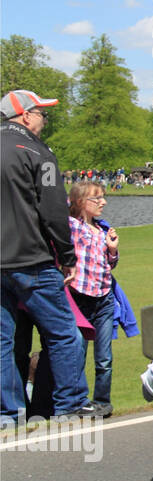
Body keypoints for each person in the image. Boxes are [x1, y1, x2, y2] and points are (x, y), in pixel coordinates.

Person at [0, 90, 94, 426]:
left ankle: (9, 414)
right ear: (26, 116)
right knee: (64, 333)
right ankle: (69, 405)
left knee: (4, 340)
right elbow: (54, 211)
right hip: (32, 260)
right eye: (43, 114)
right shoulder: (40, 154)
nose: (45, 121)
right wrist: (67, 256)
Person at [67, 180, 120, 417]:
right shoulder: (70, 226)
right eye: (97, 198)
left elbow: (111, 265)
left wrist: (112, 250)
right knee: (77, 353)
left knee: (104, 358)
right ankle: (80, 401)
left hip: (104, 300)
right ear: (80, 202)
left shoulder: (102, 229)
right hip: (79, 299)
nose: (103, 202)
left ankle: (102, 402)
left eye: (103, 197)